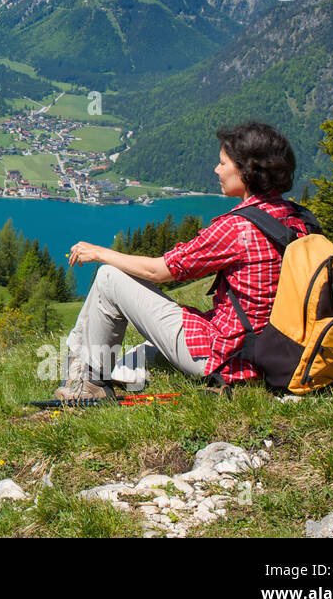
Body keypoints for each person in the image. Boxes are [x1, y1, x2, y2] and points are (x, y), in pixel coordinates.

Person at [54, 121, 311, 401]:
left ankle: (90, 385)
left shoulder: (238, 228)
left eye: (223, 163)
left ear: (247, 171)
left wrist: (100, 253)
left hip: (229, 358)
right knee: (142, 354)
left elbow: (159, 271)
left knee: (108, 278)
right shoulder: (297, 218)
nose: (216, 169)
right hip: (275, 351)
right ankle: (82, 365)